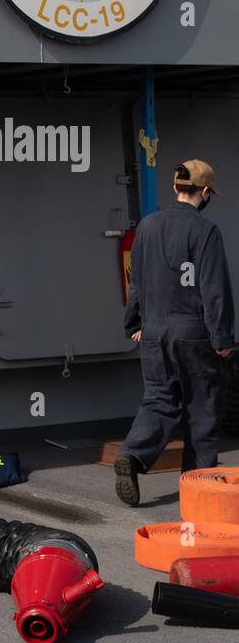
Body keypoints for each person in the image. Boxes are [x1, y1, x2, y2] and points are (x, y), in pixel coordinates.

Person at [116, 159, 235, 505]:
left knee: (159, 399)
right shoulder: (206, 231)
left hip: (154, 329)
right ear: (206, 192)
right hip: (193, 330)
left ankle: (133, 455)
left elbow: (135, 280)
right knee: (202, 406)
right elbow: (215, 290)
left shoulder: (148, 227)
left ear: (174, 187)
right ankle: (198, 488)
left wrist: (135, 323)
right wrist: (222, 339)